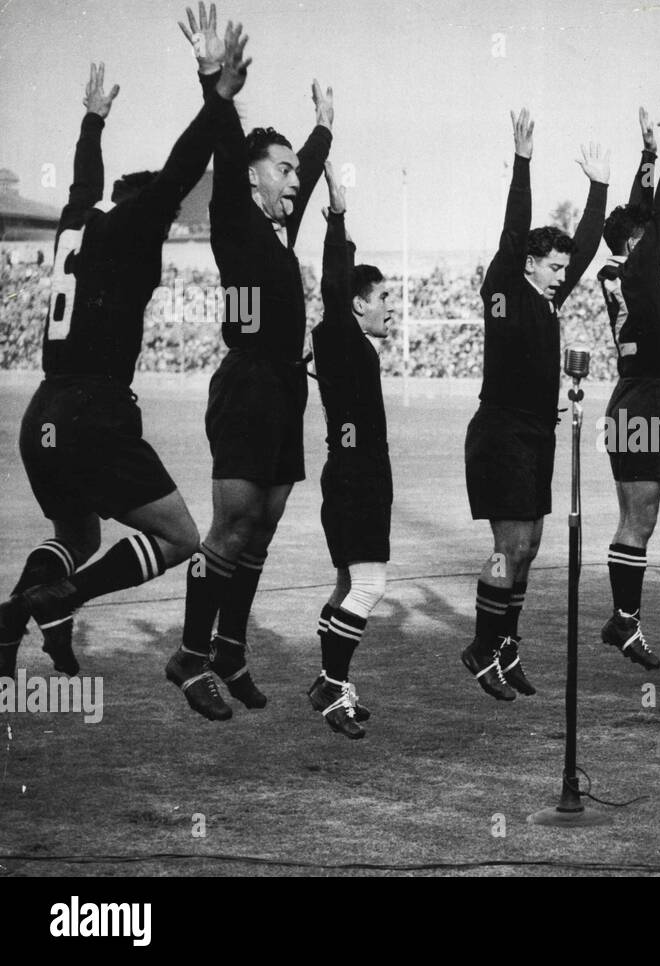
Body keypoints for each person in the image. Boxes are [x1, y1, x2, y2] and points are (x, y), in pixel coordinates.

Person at [1, 16, 241, 683]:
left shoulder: (78, 219)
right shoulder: (138, 225)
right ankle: (62, 598)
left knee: (78, 535)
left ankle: (11, 616)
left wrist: (93, 120)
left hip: (42, 411)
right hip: (96, 411)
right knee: (180, 538)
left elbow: (84, 181)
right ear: (145, 212)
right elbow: (183, 166)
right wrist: (213, 91)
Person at [170, 7, 335, 719]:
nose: (296, 179)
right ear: (253, 177)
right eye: (285, 168)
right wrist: (219, 88)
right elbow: (230, 150)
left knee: (263, 525)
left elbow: (310, 170)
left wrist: (323, 127)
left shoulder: (273, 228)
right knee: (231, 528)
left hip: (284, 389)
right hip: (245, 385)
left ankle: (232, 647)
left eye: (298, 170)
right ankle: (190, 654)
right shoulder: (237, 215)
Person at [462, 108, 608, 700]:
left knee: (531, 550)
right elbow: (513, 228)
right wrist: (523, 162)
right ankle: (480, 645)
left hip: (536, 433)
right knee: (509, 548)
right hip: (500, 430)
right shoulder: (505, 285)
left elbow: (591, 245)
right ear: (528, 263)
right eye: (552, 266)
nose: (561, 276)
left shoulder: (549, 298)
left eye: (564, 270)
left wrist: (599, 187)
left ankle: (505, 648)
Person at [598, 91, 660, 671]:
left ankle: (624, 618)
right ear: (638, 241)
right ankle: (624, 620)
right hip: (646, 399)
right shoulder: (636, 263)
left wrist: (646, 154)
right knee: (640, 517)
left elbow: (641, 213)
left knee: (640, 516)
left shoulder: (622, 267)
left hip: (639, 395)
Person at [306, 161, 393, 739]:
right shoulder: (340, 333)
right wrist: (339, 215)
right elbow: (335, 281)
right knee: (370, 586)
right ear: (358, 303)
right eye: (383, 296)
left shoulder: (349, 342)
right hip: (354, 480)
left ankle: (327, 681)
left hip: (355, 476)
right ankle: (332, 689)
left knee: (346, 585)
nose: (390, 306)